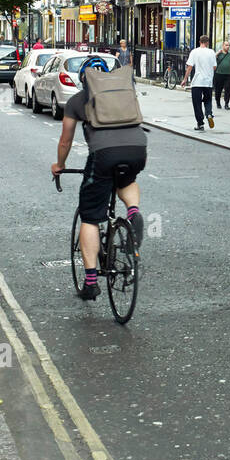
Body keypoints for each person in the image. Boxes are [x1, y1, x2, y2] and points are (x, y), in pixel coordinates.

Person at [52, 67, 147, 301]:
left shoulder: (77, 100)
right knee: (127, 180)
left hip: (103, 155)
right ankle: (133, 212)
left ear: (84, 80)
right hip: (138, 148)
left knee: (91, 217)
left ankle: (91, 283)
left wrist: (59, 165)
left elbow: (66, 140)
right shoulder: (123, 92)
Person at [182, 35, 218, 131]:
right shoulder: (211, 52)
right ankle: (209, 113)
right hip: (208, 82)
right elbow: (214, 67)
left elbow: (189, 66)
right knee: (208, 100)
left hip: (197, 82)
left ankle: (200, 123)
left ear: (199, 42)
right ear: (207, 42)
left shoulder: (194, 52)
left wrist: (185, 79)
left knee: (197, 103)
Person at [213, 41, 230, 110]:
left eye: (228, 45)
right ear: (223, 46)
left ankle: (226, 104)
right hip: (219, 74)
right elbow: (213, 58)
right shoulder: (219, 54)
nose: (228, 47)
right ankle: (218, 102)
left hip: (228, 75)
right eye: (226, 45)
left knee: (228, 90)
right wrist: (218, 53)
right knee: (218, 90)